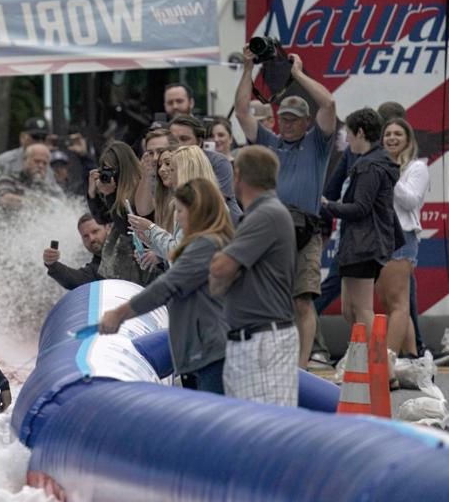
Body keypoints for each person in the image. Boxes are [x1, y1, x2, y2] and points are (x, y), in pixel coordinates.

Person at [235, 47, 336, 369]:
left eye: (294, 119)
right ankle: (275, 360)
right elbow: (241, 113)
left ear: (307, 121)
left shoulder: (317, 143)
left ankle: (301, 367)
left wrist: (297, 75)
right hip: (272, 231)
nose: (288, 124)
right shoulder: (269, 141)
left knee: (303, 300)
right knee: (270, 301)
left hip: (307, 231)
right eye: (284, 118)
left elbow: (329, 103)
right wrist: (247, 68)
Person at [100, 178, 234, 394]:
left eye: (180, 211)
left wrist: (118, 314)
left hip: (214, 352)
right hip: (203, 349)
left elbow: (166, 287)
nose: (178, 219)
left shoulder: (206, 245)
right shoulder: (213, 242)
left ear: (197, 211)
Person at [209, 146, 298, 407]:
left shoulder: (266, 214)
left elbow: (218, 271)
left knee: (267, 430)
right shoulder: (261, 213)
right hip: (252, 339)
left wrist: (219, 264)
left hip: (262, 342)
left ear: (238, 176)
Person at [322, 109, 402, 339]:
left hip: (364, 245)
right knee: (349, 310)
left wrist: (328, 204)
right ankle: (362, 362)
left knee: (363, 310)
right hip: (357, 244)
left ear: (360, 132)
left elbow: (360, 208)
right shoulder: (370, 162)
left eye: (348, 133)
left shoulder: (369, 166)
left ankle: (382, 369)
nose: (346, 139)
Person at [378, 118, 429, 360]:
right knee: (391, 305)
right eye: (388, 134)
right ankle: (411, 356)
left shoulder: (417, 167)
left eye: (398, 134)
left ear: (408, 139)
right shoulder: (378, 163)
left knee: (398, 305)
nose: (392, 138)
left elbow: (410, 201)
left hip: (402, 238)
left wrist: (391, 176)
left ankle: (387, 363)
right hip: (379, 237)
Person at [128, 146, 217, 267]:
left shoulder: (196, 204)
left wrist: (151, 229)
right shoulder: (204, 199)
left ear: (186, 170)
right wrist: (150, 240)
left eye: (172, 169)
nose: (166, 172)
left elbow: (179, 252)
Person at [86, 141, 152, 283]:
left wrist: (110, 195)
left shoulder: (140, 187)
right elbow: (102, 218)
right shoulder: (115, 189)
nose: (109, 175)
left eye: (112, 170)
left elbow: (127, 229)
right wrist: (93, 195)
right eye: (105, 169)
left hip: (143, 262)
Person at [167, 115, 241, 224]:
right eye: (173, 140)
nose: (178, 145)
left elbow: (214, 206)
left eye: (184, 139)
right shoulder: (164, 164)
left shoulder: (218, 162)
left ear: (199, 141)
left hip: (226, 229)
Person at [0, 116, 59, 205]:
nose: (40, 142)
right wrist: (0, 203)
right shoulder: (5, 161)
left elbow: (59, 198)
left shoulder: (45, 165)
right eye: (35, 137)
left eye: (44, 138)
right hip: (4, 215)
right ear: (22, 137)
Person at [43, 213, 109, 289]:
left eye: (95, 231)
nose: (91, 239)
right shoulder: (95, 271)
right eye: (85, 236)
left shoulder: (125, 241)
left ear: (107, 228)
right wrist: (52, 264)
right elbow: (75, 279)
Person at [0, 144, 64, 208]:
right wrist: (41, 203)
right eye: (37, 161)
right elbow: (5, 200)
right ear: (25, 160)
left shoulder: (48, 187)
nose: (40, 166)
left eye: (44, 163)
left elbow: (62, 206)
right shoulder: (8, 179)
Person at [133, 129, 178, 224]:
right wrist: (145, 175)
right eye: (150, 153)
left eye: (160, 151)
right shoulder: (153, 176)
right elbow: (143, 210)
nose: (155, 158)